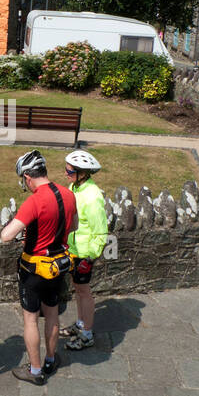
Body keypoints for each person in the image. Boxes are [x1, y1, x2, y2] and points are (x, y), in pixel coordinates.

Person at [1, 150, 76, 386]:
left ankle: (35, 370)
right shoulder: (68, 194)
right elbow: (72, 226)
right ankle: (51, 359)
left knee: (31, 320)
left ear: (27, 176)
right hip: (57, 266)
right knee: (52, 314)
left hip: (33, 270)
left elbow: (6, 236)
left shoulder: (34, 201)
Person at [60, 150, 108, 351]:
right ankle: (80, 324)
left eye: (70, 171)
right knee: (77, 290)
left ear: (82, 173)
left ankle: (87, 334)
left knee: (84, 292)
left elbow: (101, 232)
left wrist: (90, 257)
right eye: (67, 170)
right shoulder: (75, 187)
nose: (66, 174)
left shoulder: (93, 196)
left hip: (84, 254)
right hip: (72, 250)